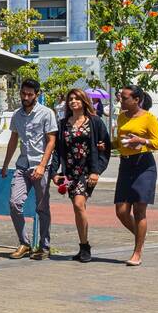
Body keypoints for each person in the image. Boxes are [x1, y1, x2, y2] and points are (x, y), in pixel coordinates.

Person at [0, 77, 58, 260]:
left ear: (37, 95)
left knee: (42, 208)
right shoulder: (17, 115)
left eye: (29, 94)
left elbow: (51, 141)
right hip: (22, 165)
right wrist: (5, 164)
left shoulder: (46, 113)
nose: (26, 97)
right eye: (23, 93)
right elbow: (13, 140)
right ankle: (24, 243)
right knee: (14, 203)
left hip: (41, 166)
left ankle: (44, 246)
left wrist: (42, 165)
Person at [55, 88, 111, 263]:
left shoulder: (95, 122)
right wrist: (55, 173)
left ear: (84, 101)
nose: (73, 101)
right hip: (70, 171)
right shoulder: (63, 123)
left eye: (77, 98)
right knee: (78, 208)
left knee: (79, 205)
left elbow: (105, 148)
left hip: (87, 171)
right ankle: (83, 244)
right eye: (70, 99)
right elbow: (57, 150)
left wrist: (97, 171)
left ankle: (85, 247)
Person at [114, 84, 158, 267]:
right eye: (121, 96)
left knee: (139, 210)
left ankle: (137, 252)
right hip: (125, 164)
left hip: (143, 165)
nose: (121, 100)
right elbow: (120, 142)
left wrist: (141, 141)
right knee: (121, 211)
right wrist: (107, 145)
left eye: (125, 97)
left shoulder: (149, 118)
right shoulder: (121, 117)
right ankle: (140, 236)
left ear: (136, 100)